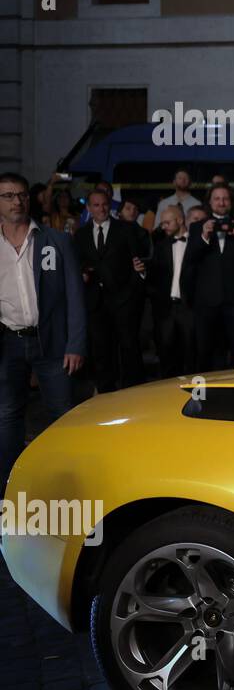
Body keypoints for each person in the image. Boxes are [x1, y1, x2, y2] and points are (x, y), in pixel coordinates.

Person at [0, 173, 86, 488]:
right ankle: (9, 484)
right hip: (9, 340)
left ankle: (65, 479)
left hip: (53, 341)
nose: (16, 201)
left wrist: (76, 343)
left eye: (21, 194)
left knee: (62, 413)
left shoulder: (55, 240)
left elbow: (75, 295)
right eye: (8, 196)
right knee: (7, 416)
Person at [74, 188, 149, 392]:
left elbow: (137, 261)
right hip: (96, 302)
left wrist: (133, 290)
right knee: (101, 350)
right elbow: (78, 264)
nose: (101, 209)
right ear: (89, 208)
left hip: (123, 300)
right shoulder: (80, 235)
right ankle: (106, 394)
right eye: (96, 205)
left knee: (128, 348)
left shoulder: (125, 229)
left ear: (110, 205)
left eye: (105, 204)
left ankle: (134, 393)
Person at [182, 185, 234, 370]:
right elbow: (190, 260)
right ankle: (206, 396)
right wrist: (204, 237)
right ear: (210, 202)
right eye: (217, 198)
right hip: (207, 303)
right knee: (207, 353)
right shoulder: (197, 228)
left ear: (231, 202)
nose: (221, 202)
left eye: (225, 199)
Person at [145, 205, 196, 377]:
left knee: (191, 356)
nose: (163, 227)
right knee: (166, 356)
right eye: (162, 223)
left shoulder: (197, 243)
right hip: (166, 309)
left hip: (189, 308)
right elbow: (154, 277)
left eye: (167, 223)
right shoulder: (160, 246)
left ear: (180, 220)